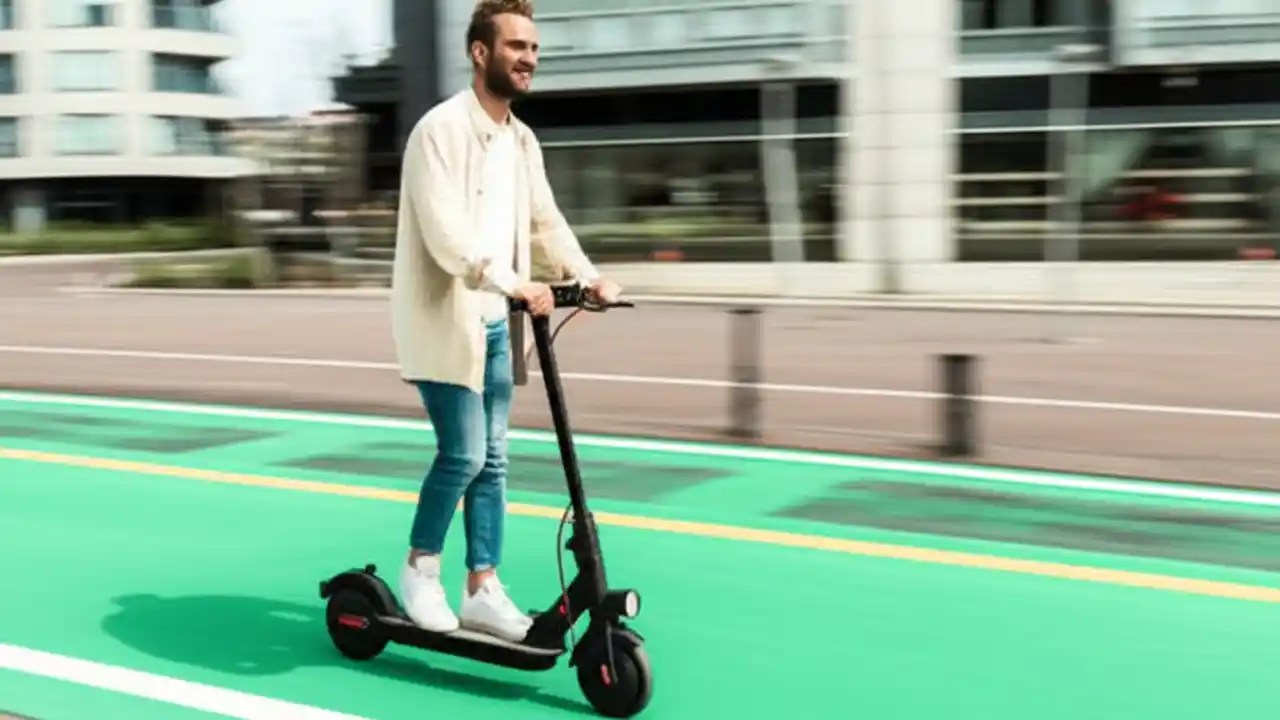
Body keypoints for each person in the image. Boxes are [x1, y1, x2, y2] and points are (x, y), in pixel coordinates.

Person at [389, 0, 622, 643]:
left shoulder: (521, 141)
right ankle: (420, 570)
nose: (528, 58)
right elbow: (446, 237)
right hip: (446, 320)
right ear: (479, 52)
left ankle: (481, 587)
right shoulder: (439, 132)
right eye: (516, 46)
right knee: (462, 454)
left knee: (493, 461)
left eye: (534, 49)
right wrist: (515, 281)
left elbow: (545, 222)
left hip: (496, 323)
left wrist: (588, 278)